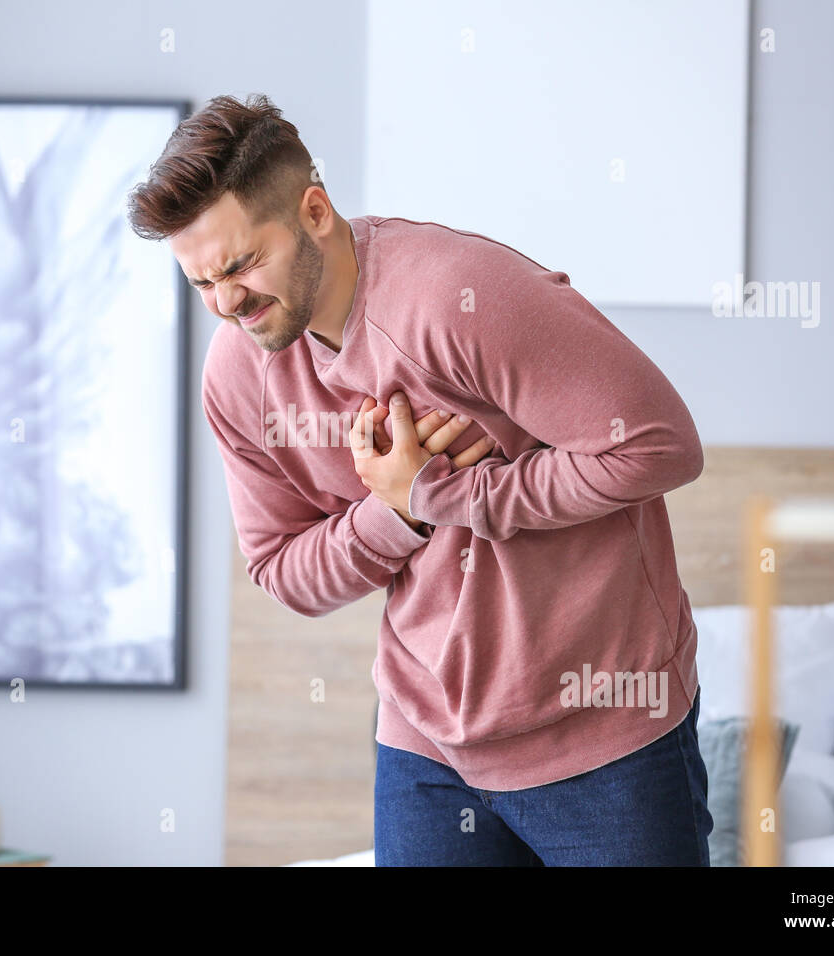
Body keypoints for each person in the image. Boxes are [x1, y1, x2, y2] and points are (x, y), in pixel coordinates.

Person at [127, 93, 713, 866]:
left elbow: (661, 446)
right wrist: (396, 513)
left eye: (240, 265)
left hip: (607, 738)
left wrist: (444, 493)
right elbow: (280, 570)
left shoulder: (459, 298)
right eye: (202, 283)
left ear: (314, 211)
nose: (227, 304)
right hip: (425, 747)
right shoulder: (239, 378)